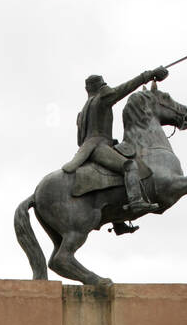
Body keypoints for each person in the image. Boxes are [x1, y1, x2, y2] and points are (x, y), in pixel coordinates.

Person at [63, 65, 171, 219]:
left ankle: (118, 221)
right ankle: (136, 202)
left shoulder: (82, 113)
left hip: (87, 149)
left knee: (113, 175)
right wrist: (148, 75)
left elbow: (80, 140)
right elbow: (125, 88)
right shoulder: (102, 99)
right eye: (103, 85)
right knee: (129, 166)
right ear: (99, 86)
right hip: (99, 146)